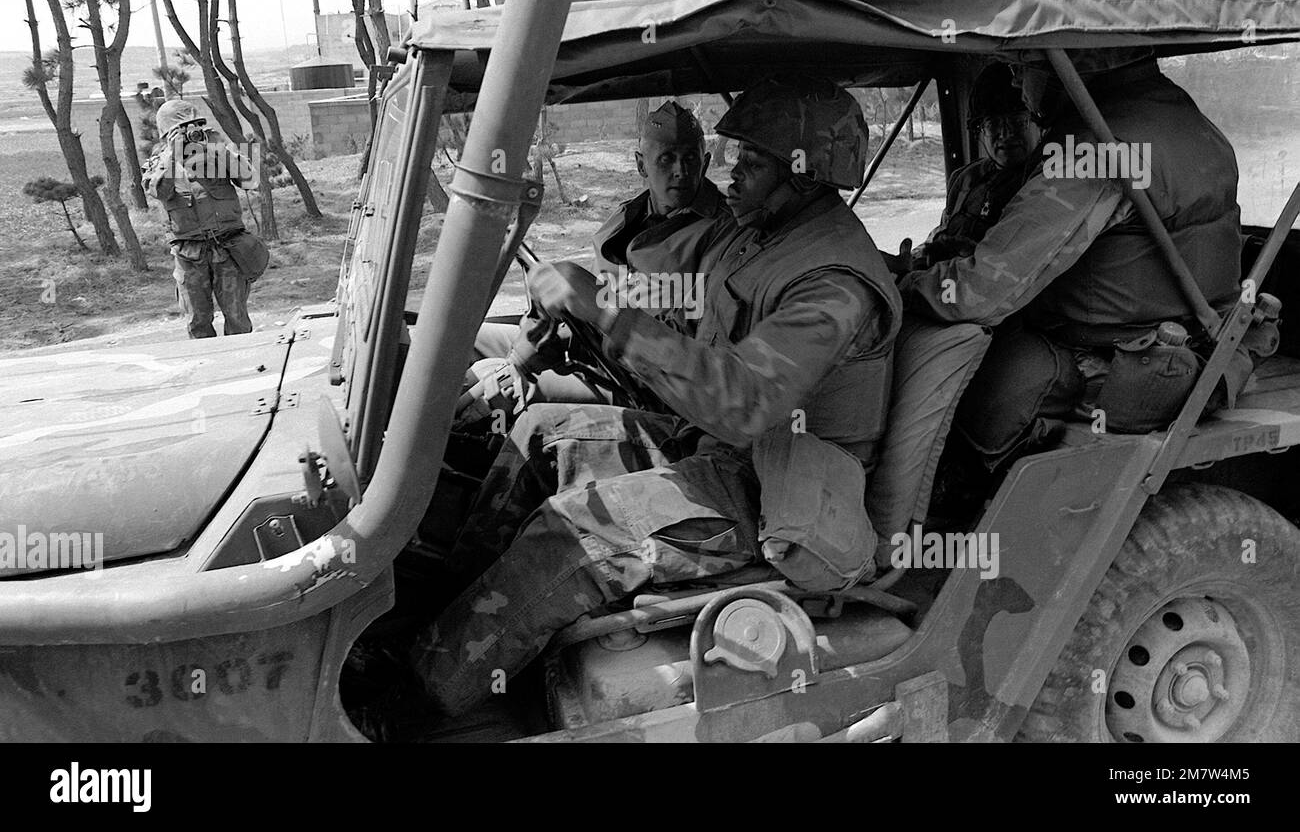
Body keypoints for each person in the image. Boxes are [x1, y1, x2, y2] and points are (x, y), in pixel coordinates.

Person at [413, 76, 902, 717]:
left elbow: (744, 400)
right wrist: (594, 302)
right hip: (721, 448)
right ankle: (444, 625)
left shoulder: (832, 280)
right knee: (541, 432)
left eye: (750, 163)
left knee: (578, 534)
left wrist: (606, 311)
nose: (727, 176)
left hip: (778, 489)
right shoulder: (764, 233)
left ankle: (416, 705)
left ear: (806, 175)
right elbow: (682, 307)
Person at [898, 47, 1242, 468]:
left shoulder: (1093, 149)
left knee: (956, 378)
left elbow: (981, 292)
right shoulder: (1190, 122)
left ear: (1067, 68)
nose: (1019, 86)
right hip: (1191, 339)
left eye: (1022, 69)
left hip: (1101, 360)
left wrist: (907, 285)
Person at [462, 100, 733, 420]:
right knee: (469, 345)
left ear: (703, 163)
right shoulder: (628, 217)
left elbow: (678, 338)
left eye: (690, 159)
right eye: (667, 158)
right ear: (641, 165)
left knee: (512, 390)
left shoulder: (723, 235)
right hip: (588, 347)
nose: (680, 171)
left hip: (641, 382)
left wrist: (524, 361)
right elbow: (598, 294)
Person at [145, 99, 260, 340]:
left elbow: (251, 181)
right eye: (183, 130)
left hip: (228, 249)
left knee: (237, 318)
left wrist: (219, 151)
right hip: (189, 254)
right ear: (167, 135)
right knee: (198, 323)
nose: (191, 135)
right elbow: (160, 192)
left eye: (195, 126)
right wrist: (172, 158)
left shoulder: (216, 153)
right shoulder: (160, 163)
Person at [917, 62, 1041, 267]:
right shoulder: (966, 178)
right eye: (993, 125)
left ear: (1038, 123)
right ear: (979, 131)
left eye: (1018, 122)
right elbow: (943, 232)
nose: (1006, 134)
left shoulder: (1046, 181)